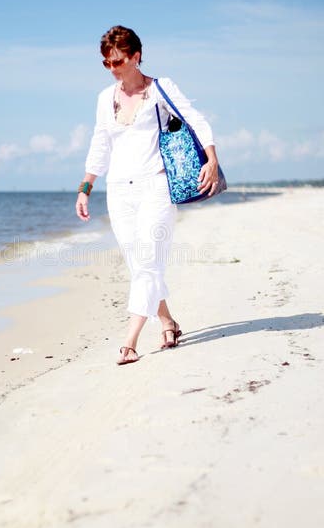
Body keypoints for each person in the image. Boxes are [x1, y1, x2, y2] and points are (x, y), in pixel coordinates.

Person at [76, 25, 219, 365]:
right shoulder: (104, 99)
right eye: (106, 63)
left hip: (155, 186)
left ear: (135, 57)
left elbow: (195, 119)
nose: (112, 68)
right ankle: (168, 321)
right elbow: (100, 143)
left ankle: (129, 341)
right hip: (118, 191)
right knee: (139, 263)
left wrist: (212, 158)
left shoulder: (161, 89)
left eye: (117, 61)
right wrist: (86, 187)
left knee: (148, 263)